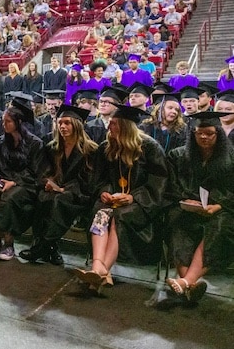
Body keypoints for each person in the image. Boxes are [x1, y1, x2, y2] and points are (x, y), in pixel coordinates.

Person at [74, 104, 169, 293]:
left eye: (114, 124)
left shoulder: (150, 148)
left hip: (141, 205)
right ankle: (99, 271)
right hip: (111, 201)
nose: (109, 127)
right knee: (101, 213)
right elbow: (99, 179)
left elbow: (159, 183)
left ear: (126, 126)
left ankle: (98, 271)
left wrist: (133, 197)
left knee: (118, 217)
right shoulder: (106, 147)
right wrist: (104, 191)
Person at [164, 111, 234, 304]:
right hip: (189, 208)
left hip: (222, 210)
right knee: (177, 222)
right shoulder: (178, 156)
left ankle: (185, 281)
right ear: (192, 133)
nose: (204, 137)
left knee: (218, 227)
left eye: (210, 133)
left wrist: (217, 206)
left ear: (218, 134)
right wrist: (188, 201)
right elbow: (173, 186)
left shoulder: (231, 158)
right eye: (199, 133)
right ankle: (190, 284)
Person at [20, 105, 98, 265]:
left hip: (79, 195)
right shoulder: (52, 148)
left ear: (77, 125)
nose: (62, 126)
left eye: (67, 123)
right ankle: (51, 248)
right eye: (60, 122)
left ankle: (41, 247)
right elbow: (43, 171)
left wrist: (64, 189)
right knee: (43, 197)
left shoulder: (90, 150)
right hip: (56, 192)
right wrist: (48, 183)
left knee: (59, 200)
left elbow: (89, 181)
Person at [0, 99, 46, 261]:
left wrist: (14, 181)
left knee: (9, 199)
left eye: (8, 121)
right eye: (3, 121)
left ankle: (8, 244)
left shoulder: (35, 144)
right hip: (1, 183)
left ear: (19, 122)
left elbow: (35, 172)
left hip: (25, 185)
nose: (4, 125)